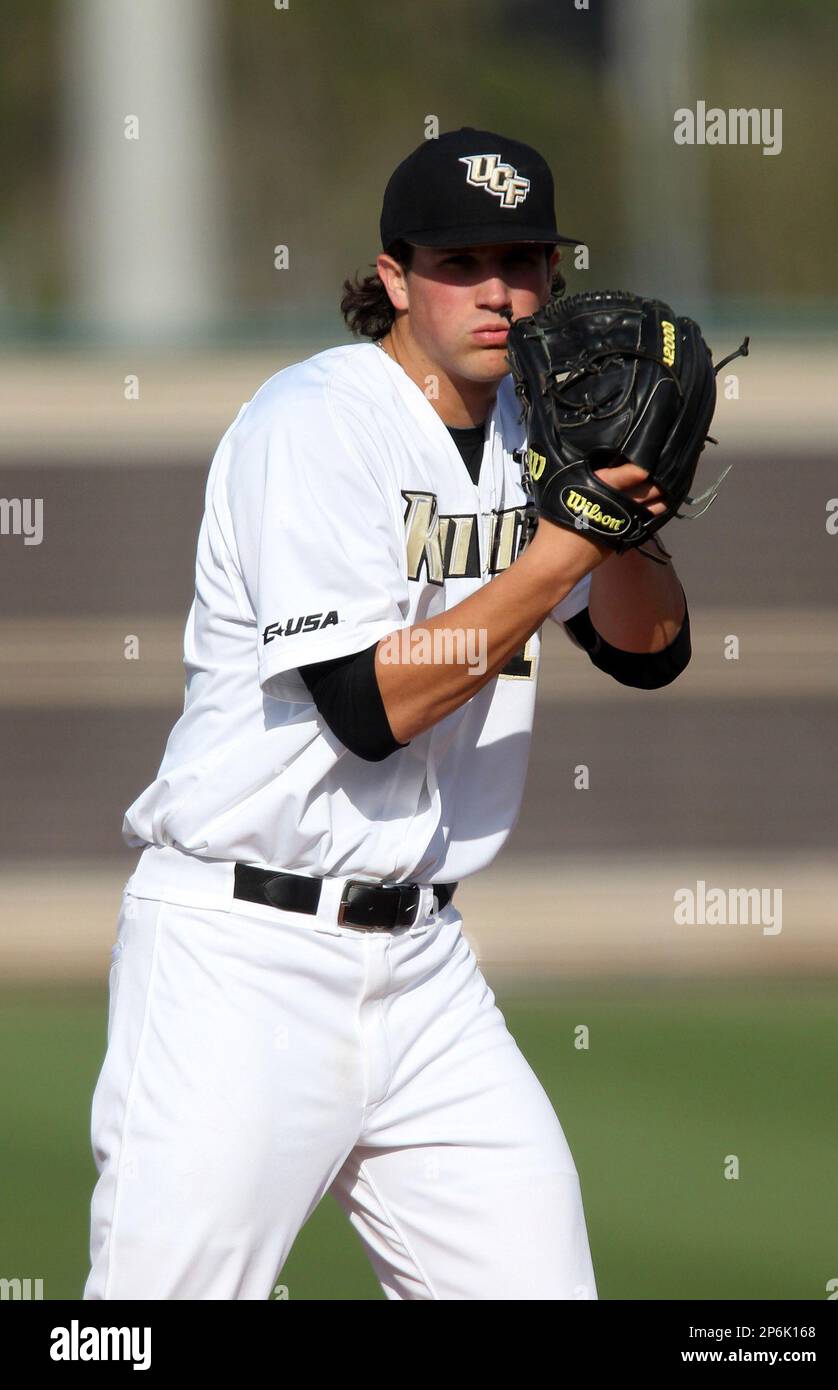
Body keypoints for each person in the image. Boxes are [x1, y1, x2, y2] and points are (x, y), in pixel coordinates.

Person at [84, 127, 690, 1301]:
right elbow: (366, 707)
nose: (499, 291)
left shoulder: (536, 431)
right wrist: (565, 539)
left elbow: (645, 652)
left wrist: (628, 523)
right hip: (241, 958)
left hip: (424, 971)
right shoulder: (312, 421)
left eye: (524, 259)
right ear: (395, 276)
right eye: (462, 261)